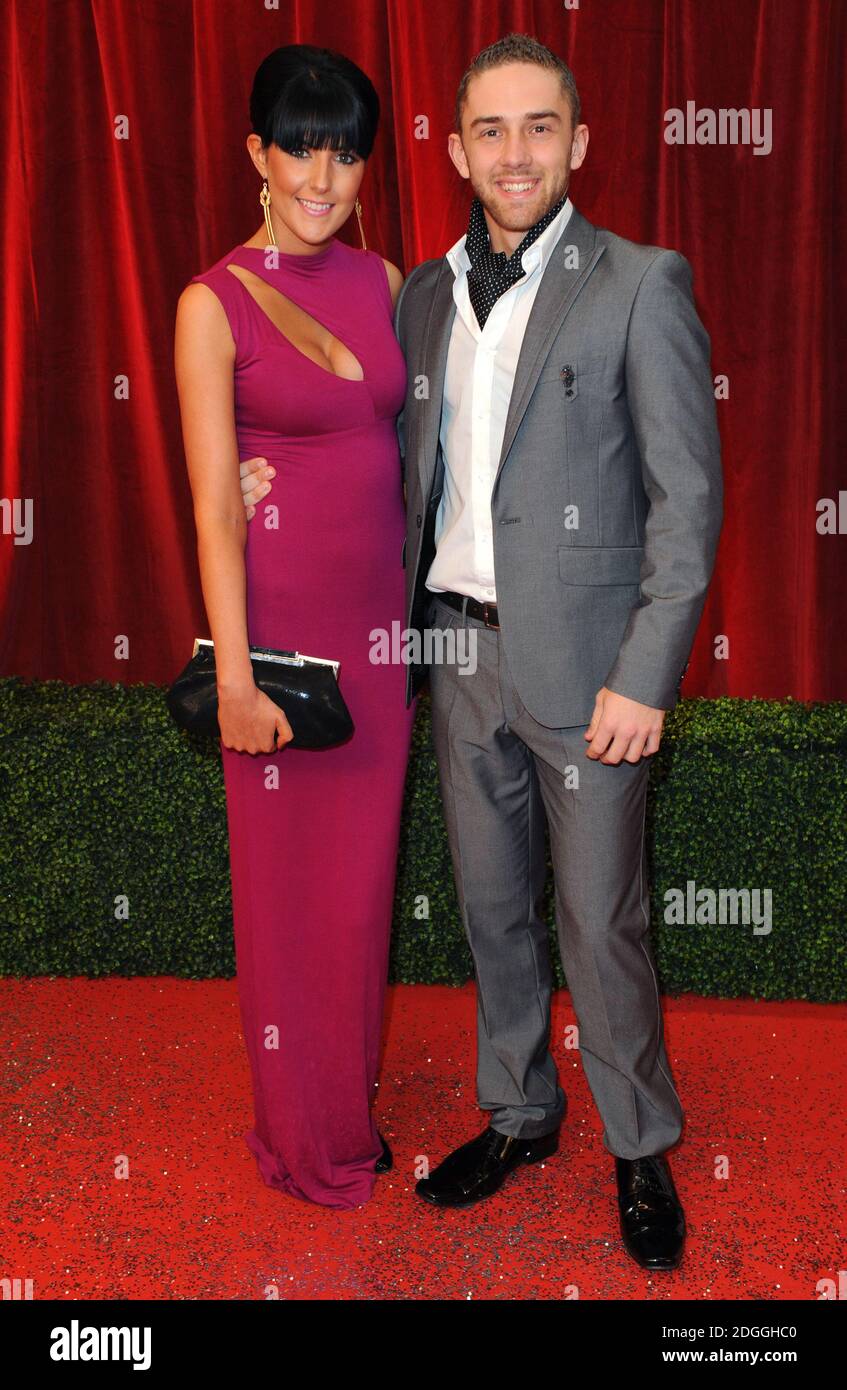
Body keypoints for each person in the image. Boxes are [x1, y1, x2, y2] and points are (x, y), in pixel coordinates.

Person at [239, 32, 723, 1269]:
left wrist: (647, 673)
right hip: (449, 656)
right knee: (491, 908)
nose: (516, 154)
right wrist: (260, 476)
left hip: (589, 671)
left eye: (539, 128)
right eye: (491, 132)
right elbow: (371, 447)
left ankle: (637, 1141)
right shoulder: (418, 293)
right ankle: (518, 1111)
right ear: (454, 150)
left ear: (579, 143)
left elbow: (686, 504)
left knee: (597, 918)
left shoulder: (638, 281)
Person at [174, 43, 414, 1211]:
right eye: (302, 147)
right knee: (288, 898)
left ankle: (346, 1104)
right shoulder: (208, 304)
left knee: (360, 895)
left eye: (348, 150)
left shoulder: (383, 281)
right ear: (256, 153)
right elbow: (216, 509)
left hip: (381, 641)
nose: (324, 175)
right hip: (278, 641)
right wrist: (231, 683)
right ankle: (304, 1131)